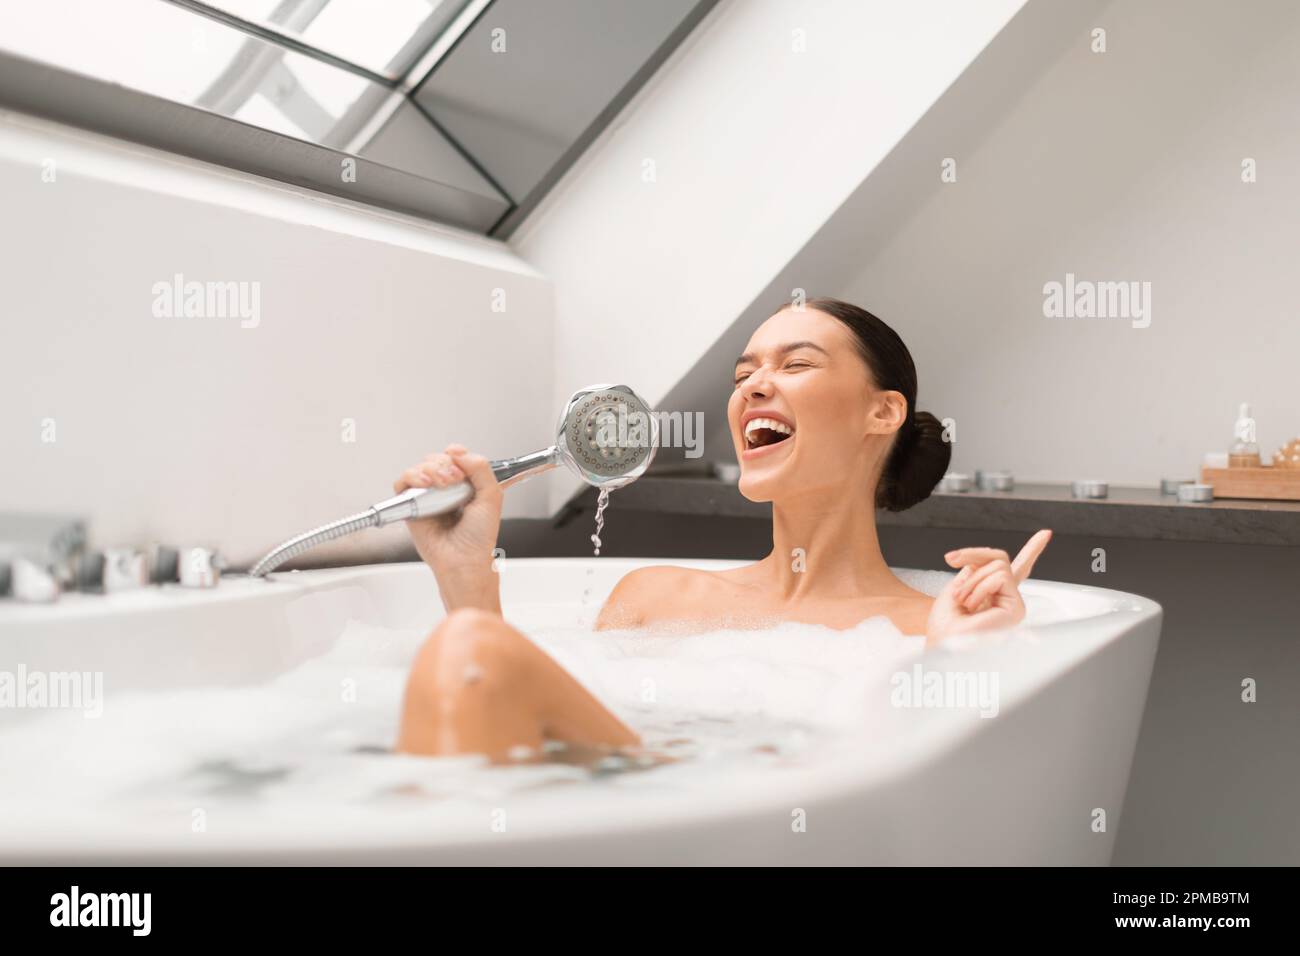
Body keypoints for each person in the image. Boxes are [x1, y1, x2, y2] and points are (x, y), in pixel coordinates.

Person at [393, 298, 1050, 760]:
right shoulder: (654, 598)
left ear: (882, 412)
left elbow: (911, 805)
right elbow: (539, 742)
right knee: (471, 646)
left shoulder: (929, 630)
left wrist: (962, 660)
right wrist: (466, 574)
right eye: (744, 375)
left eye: (794, 366)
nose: (754, 386)